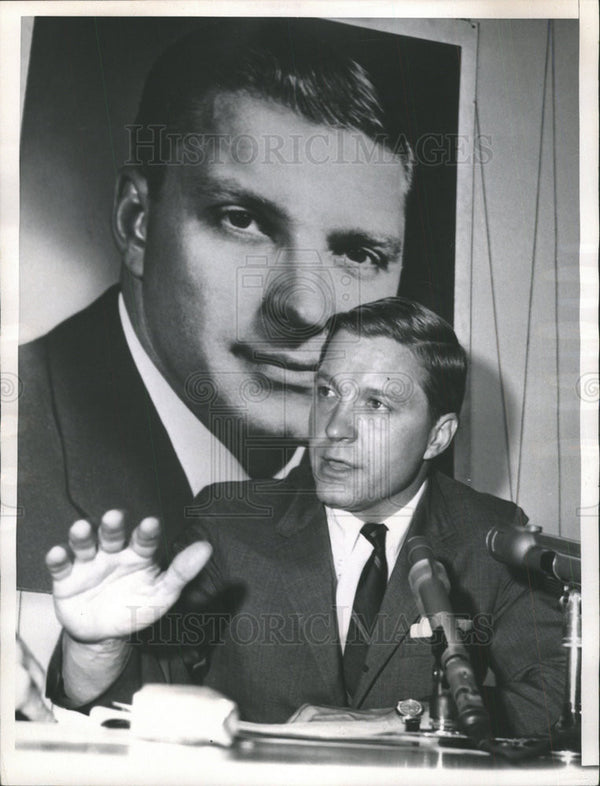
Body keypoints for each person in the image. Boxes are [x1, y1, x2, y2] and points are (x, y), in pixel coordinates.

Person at [17, 19, 414, 666]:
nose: (308, 307)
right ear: (137, 223)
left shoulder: (384, 509)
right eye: (245, 221)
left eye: (359, 253)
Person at [44, 298, 565, 737]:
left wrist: (406, 719)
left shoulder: (491, 535)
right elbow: (139, 698)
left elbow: (559, 692)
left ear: (438, 436)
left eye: (377, 404)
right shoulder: (229, 524)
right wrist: (95, 647)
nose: (334, 427)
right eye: (327, 391)